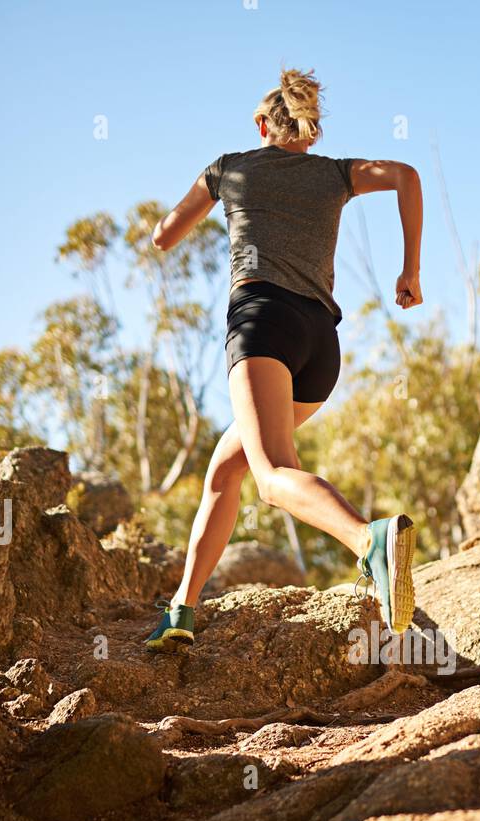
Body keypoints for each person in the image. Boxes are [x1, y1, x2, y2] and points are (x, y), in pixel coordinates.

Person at [145, 68, 423, 651]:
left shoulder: (230, 169)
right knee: (227, 467)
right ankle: (182, 610)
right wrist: (409, 270)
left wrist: (190, 212)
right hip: (320, 344)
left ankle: (368, 541)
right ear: (311, 131)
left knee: (271, 476)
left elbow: (164, 237)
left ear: (261, 124)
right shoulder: (335, 174)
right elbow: (406, 175)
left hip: (261, 323)